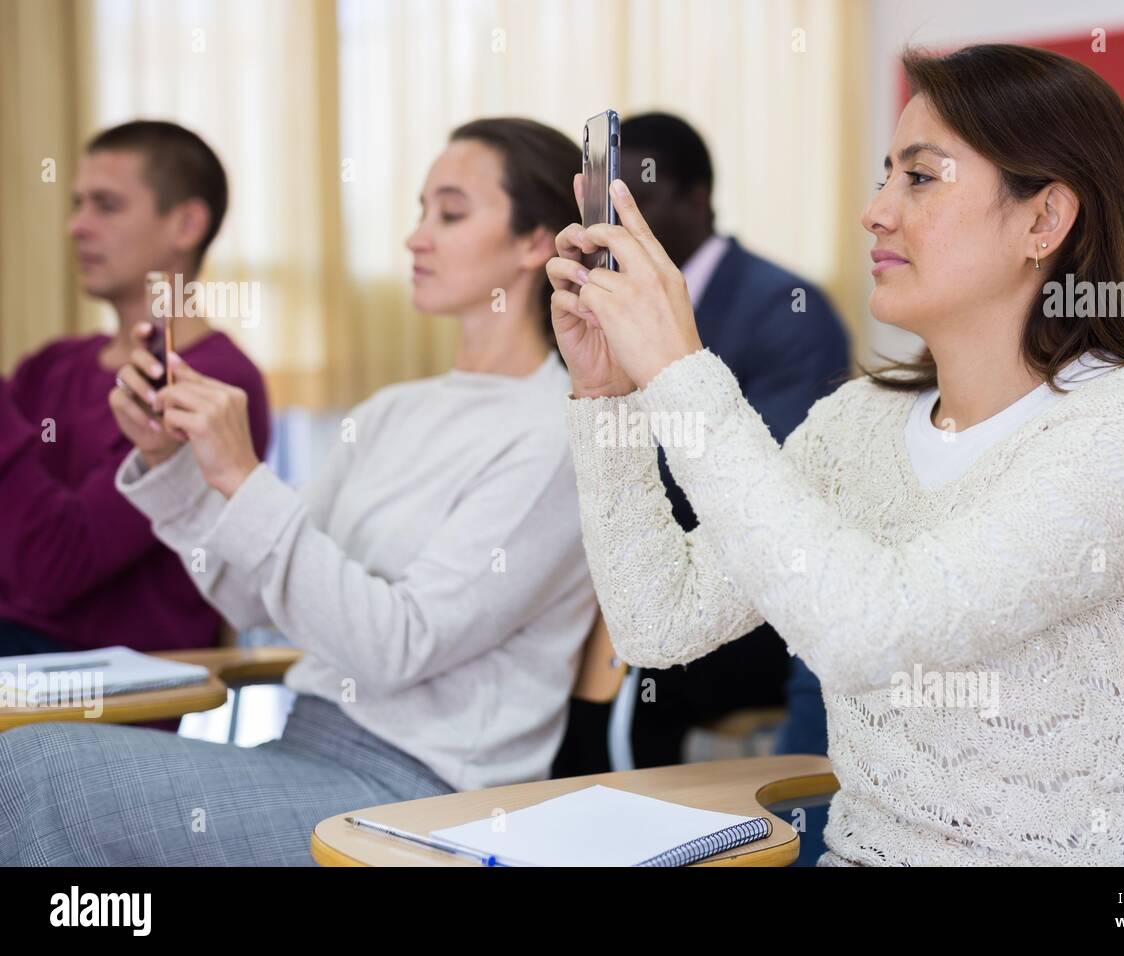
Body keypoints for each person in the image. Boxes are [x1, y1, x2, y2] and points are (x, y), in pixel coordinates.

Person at [548, 45, 1124, 865]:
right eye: (885, 175)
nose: (875, 211)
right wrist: (611, 400)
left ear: (1044, 221)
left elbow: (869, 630)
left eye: (920, 177)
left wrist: (681, 373)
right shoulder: (859, 422)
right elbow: (658, 619)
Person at [0, 118, 595, 867]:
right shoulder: (393, 411)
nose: (415, 237)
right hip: (304, 752)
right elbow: (250, 602)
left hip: (417, 798)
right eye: (418, 211)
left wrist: (240, 477)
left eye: (449, 213)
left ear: (535, 241)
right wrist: (177, 470)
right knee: (33, 771)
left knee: (30, 772)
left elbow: (394, 647)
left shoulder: (553, 437)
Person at [550, 113, 849, 776]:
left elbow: (762, 480)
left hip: (754, 606)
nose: (623, 229)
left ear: (698, 199)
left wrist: (657, 374)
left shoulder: (787, 306)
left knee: (619, 696)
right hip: (645, 578)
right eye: (611, 203)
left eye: (641, 200)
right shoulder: (610, 308)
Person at [0, 120, 269, 656]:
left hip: (99, 682)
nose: (77, 226)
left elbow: (53, 569)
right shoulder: (51, 365)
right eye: (77, 204)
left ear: (187, 224)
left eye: (106, 205)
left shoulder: (213, 385)